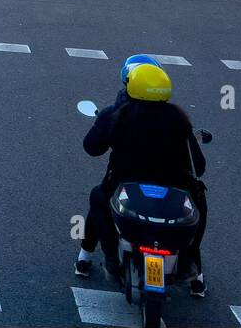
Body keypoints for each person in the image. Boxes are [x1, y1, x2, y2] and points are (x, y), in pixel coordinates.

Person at [76, 60, 207, 296]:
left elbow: (91, 148)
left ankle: (109, 259)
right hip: (174, 191)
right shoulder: (178, 118)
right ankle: (189, 262)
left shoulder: (115, 114)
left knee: (99, 199)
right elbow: (199, 166)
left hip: (126, 187)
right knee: (199, 205)